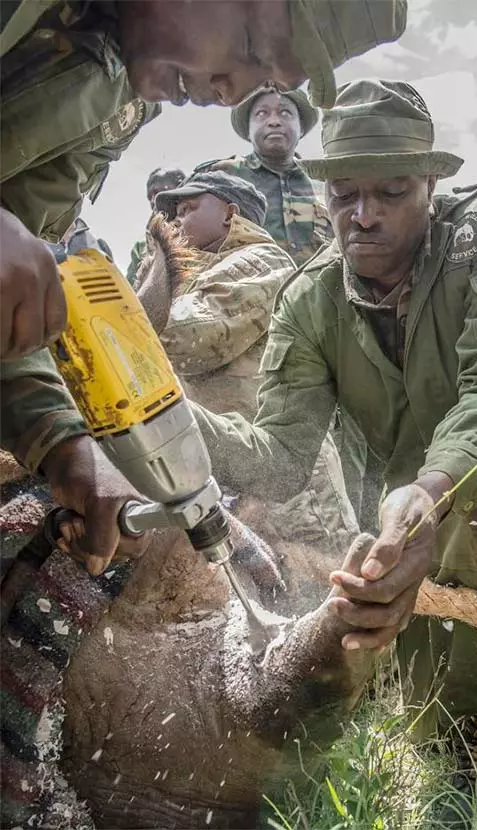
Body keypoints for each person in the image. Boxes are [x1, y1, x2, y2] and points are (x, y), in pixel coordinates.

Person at [186, 80, 477, 823]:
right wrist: (174, 423)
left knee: (476, 514)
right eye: (344, 196)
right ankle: (439, 713)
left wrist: (428, 489)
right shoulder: (309, 297)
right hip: (395, 515)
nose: (361, 216)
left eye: (390, 192)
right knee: (405, 651)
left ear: (431, 184)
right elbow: (281, 453)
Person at [0, 0, 407, 576]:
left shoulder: (123, 90)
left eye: (265, 79)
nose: (231, 92)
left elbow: (162, 343)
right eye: (248, 44)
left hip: (287, 493)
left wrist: (63, 442)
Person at [136, 170, 357, 562]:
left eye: (188, 208)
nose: (176, 221)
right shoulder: (197, 274)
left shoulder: (260, 260)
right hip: (236, 477)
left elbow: (185, 339)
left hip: (293, 497)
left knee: (321, 592)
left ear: (230, 214)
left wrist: (152, 283)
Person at [200, 87, 332, 267]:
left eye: (285, 113)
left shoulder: (325, 183)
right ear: (248, 130)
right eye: (262, 113)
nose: (274, 121)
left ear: (301, 128)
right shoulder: (220, 176)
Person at [126, 167, 185, 286]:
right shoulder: (141, 246)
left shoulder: (198, 230)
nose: (154, 201)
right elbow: (130, 288)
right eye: (151, 196)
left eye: (159, 193)